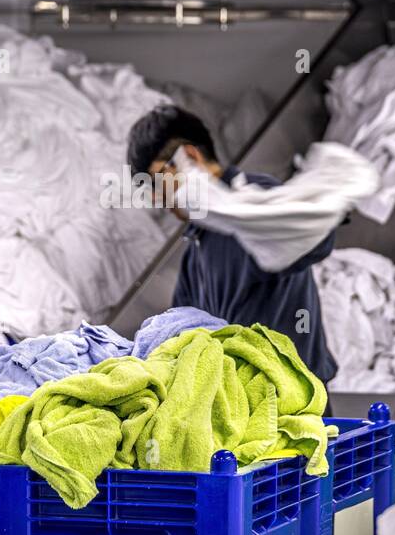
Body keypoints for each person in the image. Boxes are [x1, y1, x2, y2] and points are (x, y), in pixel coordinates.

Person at [126, 105, 338, 382]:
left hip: (294, 408)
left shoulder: (253, 203)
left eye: (156, 181)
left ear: (188, 157)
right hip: (243, 409)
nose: (156, 197)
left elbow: (315, 240)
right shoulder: (197, 245)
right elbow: (182, 329)